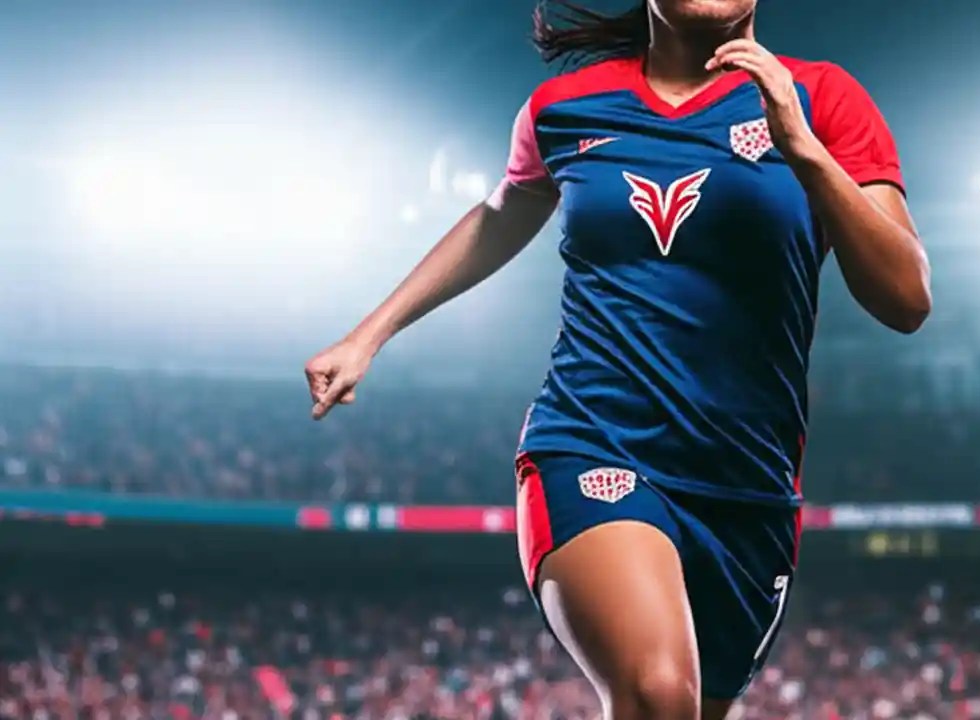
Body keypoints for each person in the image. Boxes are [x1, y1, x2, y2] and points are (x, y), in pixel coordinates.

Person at [304, 0, 930, 716]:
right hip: (595, 440)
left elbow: (906, 299)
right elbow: (501, 213)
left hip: (747, 484)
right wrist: (370, 333)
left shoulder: (824, 99)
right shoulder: (564, 109)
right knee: (660, 692)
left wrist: (807, 152)